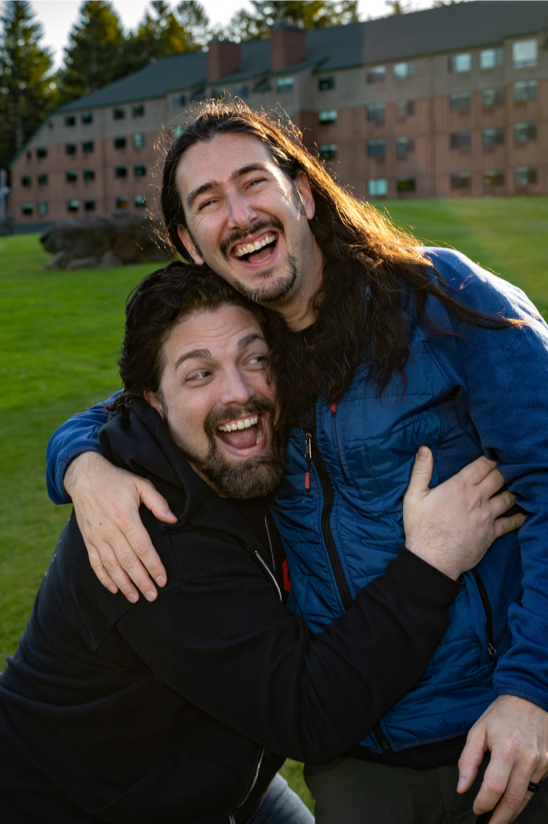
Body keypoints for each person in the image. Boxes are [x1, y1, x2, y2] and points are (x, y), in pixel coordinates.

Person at [46, 102, 548, 824]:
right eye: (209, 202)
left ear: (303, 194)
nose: (241, 214)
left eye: (254, 182)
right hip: (355, 764)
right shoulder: (251, 353)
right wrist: (79, 464)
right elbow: (140, 402)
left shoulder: (438, 296)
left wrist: (532, 691)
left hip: (498, 733)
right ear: (191, 241)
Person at [0, 262, 515, 824]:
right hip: (75, 803)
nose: (240, 393)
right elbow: (309, 715)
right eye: (200, 375)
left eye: (255, 359)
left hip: (215, 786)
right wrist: (432, 561)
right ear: (152, 400)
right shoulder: (151, 540)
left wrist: (75, 457)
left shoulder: (234, 451)